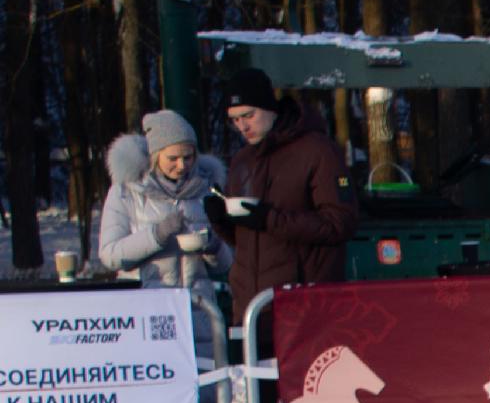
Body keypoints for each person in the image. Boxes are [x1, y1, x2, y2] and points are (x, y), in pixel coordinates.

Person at [208, 67, 354, 316]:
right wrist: (222, 219)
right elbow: (247, 241)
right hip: (251, 306)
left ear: (269, 107)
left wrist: (269, 219)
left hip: (303, 304)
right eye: (235, 120)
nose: (242, 126)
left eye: (248, 115)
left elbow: (340, 223)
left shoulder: (317, 151)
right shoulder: (243, 160)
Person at [97, 111, 228, 293]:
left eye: (188, 157)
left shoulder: (208, 189)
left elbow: (226, 265)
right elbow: (110, 256)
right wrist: (156, 235)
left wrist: (214, 247)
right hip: (148, 301)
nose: (182, 165)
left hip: (198, 303)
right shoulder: (126, 192)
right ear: (156, 155)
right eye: (173, 158)